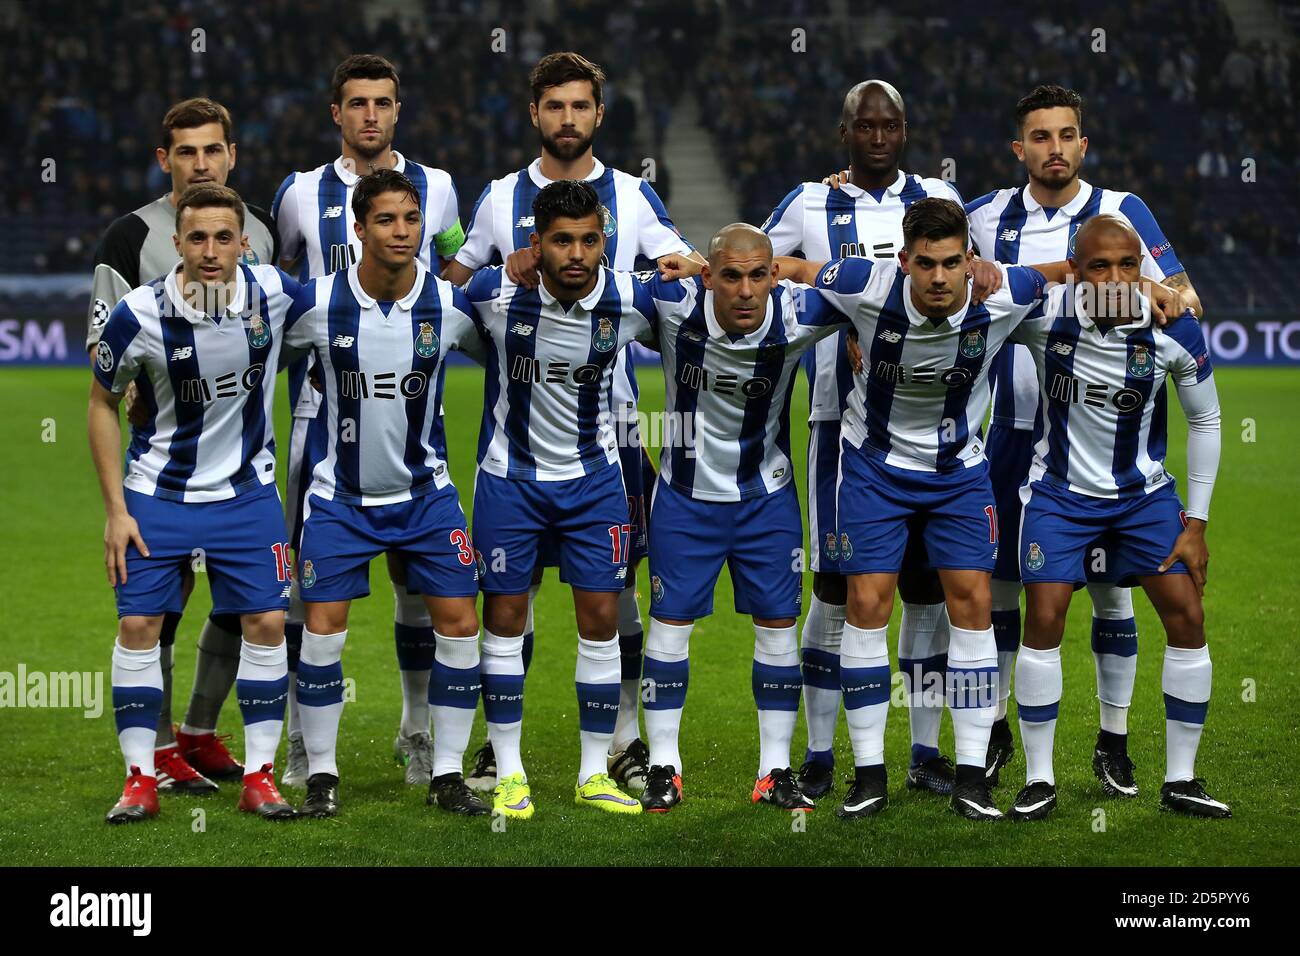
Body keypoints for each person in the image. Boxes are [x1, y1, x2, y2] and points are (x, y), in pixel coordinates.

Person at [445, 52, 703, 796]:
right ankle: (501, 752)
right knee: (510, 597)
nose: (567, 118)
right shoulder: (498, 198)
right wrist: (503, 271)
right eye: (554, 105)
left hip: (612, 427)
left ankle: (622, 738)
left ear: (598, 113)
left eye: (580, 106)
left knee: (614, 594)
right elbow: (458, 284)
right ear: (536, 114)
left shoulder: (631, 193)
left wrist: (697, 266)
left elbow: (678, 269)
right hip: (518, 418)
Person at [965, 84, 1202, 794]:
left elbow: (1184, 295)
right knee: (1011, 590)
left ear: (1083, 144)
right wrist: (845, 183)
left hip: (1106, 438)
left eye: (1067, 135)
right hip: (1010, 431)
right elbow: (943, 265)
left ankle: (1113, 740)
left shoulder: (1121, 212)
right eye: (1040, 137)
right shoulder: (985, 216)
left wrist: (1163, 294)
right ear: (1020, 149)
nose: (1055, 149)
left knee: (1111, 593)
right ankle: (1002, 730)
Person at [763, 79, 990, 799]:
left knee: (926, 595)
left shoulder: (936, 200)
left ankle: (925, 751)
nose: (880, 136)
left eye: (891, 124)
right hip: (842, 422)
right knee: (838, 591)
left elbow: (975, 287)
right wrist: (839, 324)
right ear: (846, 132)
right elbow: (758, 270)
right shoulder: (808, 202)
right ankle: (824, 754)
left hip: (934, 430)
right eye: (866, 126)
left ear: (906, 129)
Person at [271, 53, 465, 787]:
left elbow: (456, 265)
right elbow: (284, 296)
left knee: (423, 590)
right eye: (357, 104)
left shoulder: (439, 189)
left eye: (383, 103)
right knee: (306, 591)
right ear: (336, 113)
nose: (370, 117)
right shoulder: (297, 194)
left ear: (397, 111)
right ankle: (301, 737)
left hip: (413, 408)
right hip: (321, 419)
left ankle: (418, 729)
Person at [85, 97, 279, 792]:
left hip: (243, 468)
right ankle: (159, 749)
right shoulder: (128, 237)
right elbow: (105, 370)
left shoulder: (256, 230)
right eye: (187, 151)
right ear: (165, 159)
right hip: (162, 456)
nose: (202, 162)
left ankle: (199, 729)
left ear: (232, 154)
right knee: (156, 615)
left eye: (213, 150)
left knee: (246, 608)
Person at [1004, 215, 1227, 820]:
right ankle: (1040, 778)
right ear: (1074, 271)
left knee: (1186, 614)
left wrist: (1197, 523)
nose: (1115, 277)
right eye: (1098, 265)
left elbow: (1206, 421)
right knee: (1044, 618)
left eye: (1128, 265)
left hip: (1144, 498)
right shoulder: (1044, 316)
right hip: (1059, 495)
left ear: (1142, 269)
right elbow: (980, 289)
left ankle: (1180, 779)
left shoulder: (1173, 328)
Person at [283, 170, 489, 819]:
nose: (400, 232)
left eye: (410, 219)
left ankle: (447, 773)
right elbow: (251, 358)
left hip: (427, 497)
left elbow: (511, 360)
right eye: (386, 220)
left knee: (460, 628)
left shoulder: (449, 308)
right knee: (321, 636)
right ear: (359, 227)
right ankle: (321, 775)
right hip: (339, 500)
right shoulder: (317, 304)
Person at [634, 223, 849, 813]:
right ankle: (663, 767)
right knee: (670, 630)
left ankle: (774, 771)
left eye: (760, 275)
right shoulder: (669, 301)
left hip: (767, 499)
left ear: (775, 274)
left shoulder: (800, 312)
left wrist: (857, 326)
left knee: (778, 632)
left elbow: (884, 288)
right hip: (685, 498)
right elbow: (588, 288)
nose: (747, 290)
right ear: (708, 275)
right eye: (731, 276)